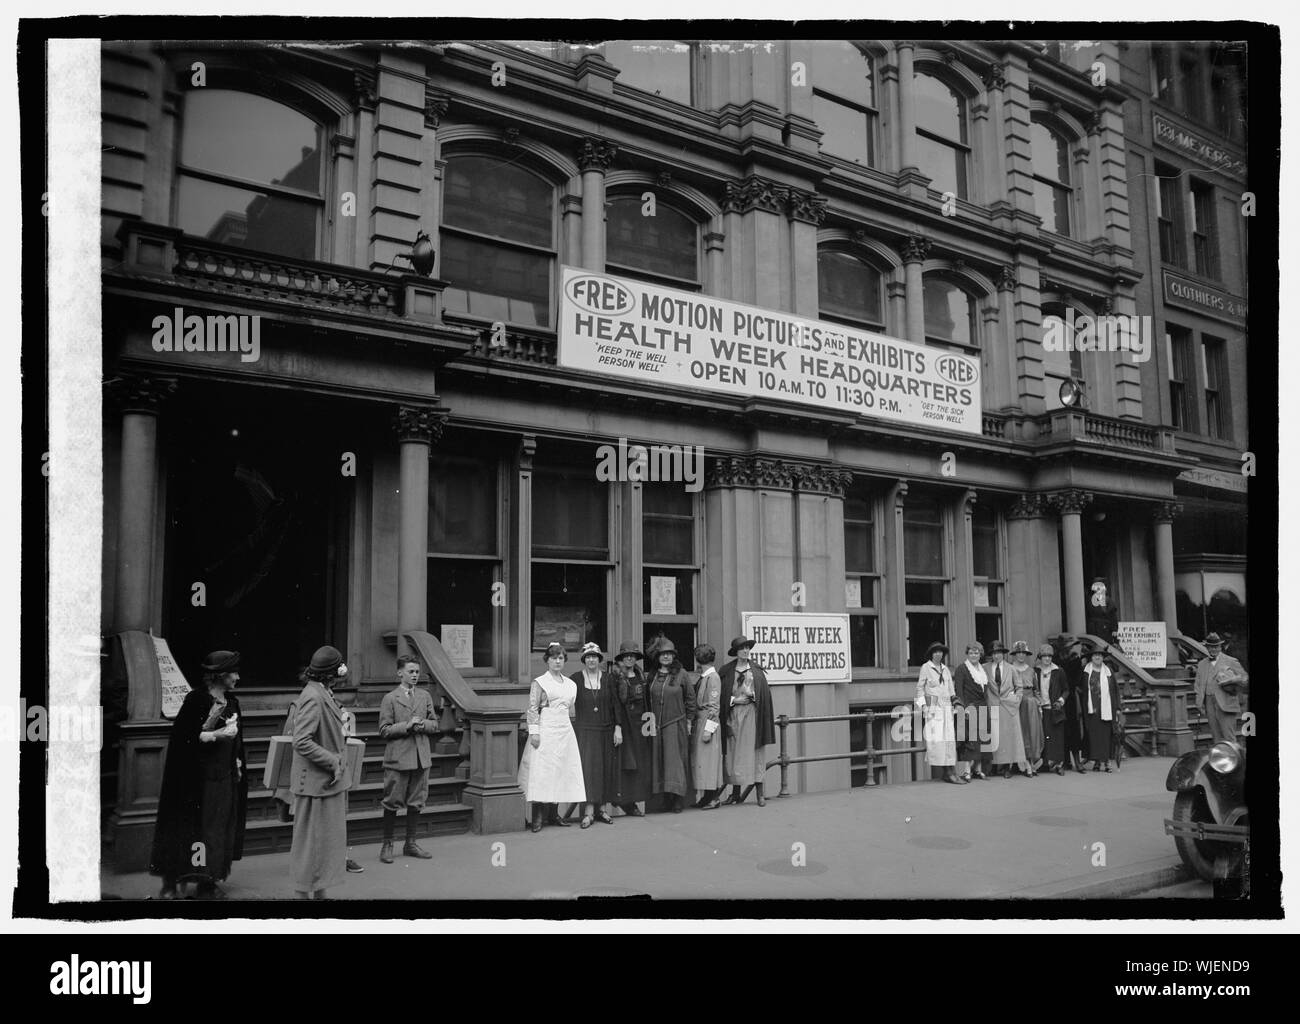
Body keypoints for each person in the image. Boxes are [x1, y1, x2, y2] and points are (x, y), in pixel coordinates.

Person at [149, 649, 248, 900]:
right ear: (220, 675)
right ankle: (176, 880)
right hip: (197, 781)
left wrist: (236, 760)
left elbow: (238, 741)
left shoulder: (233, 702)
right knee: (194, 830)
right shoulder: (196, 701)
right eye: (233, 672)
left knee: (217, 831)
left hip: (224, 779)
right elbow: (184, 741)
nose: (237, 677)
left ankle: (208, 879)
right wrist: (214, 735)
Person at [290, 645, 352, 899]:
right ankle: (303, 897)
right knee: (311, 846)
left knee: (322, 845)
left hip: (323, 784)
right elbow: (301, 740)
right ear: (332, 673)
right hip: (316, 784)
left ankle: (319, 894)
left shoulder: (320, 692)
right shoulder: (314, 697)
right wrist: (332, 761)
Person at [377, 655, 436, 863]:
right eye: (410, 671)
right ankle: (387, 844)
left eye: (417, 672)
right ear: (399, 673)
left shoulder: (424, 696)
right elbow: (383, 730)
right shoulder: (390, 698)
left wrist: (422, 726)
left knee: (417, 801)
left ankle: (410, 843)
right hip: (398, 758)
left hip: (421, 757)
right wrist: (407, 726)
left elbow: (434, 724)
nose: (414, 676)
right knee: (392, 801)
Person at [524, 643, 587, 832]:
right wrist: (534, 732)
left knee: (561, 770)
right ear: (547, 660)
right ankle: (538, 816)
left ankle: (554, 814)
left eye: (560, 658)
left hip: (564, 730)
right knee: (542, 772)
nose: (557, 661)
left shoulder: (570, 684)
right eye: (554, 658)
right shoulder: (540, 682)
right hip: (546, 729)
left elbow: (571, 710)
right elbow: (533, 708)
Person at [718, 636, 777, 805]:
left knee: (755, 752)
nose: (745, 651)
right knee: (734, 753)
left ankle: (760, 793)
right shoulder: (727, 671)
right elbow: (721, 696)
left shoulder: (756, 671)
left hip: (752, 715)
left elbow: (765, 696)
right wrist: (733, 701)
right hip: (734, 715)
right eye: (742, 648)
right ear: (736, 652)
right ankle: (735, 793)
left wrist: (754, 696)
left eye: (747, 648)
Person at [571, 641, 623, 829]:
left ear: (599, 659)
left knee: (606, 769)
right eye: (588, 657)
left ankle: (603, 809)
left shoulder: (609, 679)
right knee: (589, 770)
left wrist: (618, 727)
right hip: (586, 731)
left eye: (595, 657)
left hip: (606, 730)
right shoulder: (576, 679)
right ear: (584, 660)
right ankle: (589, 811)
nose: (592, 660)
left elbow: (616, 704)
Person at [646, 638, 696, 812]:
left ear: (673, 656)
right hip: (655, 725)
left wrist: (689, 721)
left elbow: (690, 699)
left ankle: (677, 800)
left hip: (675, 723)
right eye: (663, 654)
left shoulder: (681, 674)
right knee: (660, 762)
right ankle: (665, 798)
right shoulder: (652, 675)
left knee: (674, 763)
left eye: (669, 654)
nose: (666, 657)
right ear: (658, 656)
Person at [914, 641, 963, 784]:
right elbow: (919, 689)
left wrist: (955, 703)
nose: (938, 654)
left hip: (947, 709)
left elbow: (951, 690)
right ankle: (948, 773)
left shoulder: (945, 669)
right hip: (933, 709)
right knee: (939, 743)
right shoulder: (926, 668)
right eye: (935, 651)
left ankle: (952, 772)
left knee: (949, 741)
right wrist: (923, 708)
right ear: (931, 654)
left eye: (940, 652)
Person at [611, 640, 651, 816]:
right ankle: (624, 800)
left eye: (632, 656)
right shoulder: (616, 677)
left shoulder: (641, 675)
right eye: (626, 656)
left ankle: (634, 801)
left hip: (641, 725)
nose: (629, 659)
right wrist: (618, 726)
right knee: (626, 763)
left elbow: (647, 702)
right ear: (621, 658)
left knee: (639, 764)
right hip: (625, 724)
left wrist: (649, 727)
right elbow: (615, 704)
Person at [1193, 633, 1249, 743]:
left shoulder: (1230, 661)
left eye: (1215, 647)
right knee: (1216, 736)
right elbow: (1198, 685)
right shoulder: (1202, 664)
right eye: (1210, 647)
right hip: (1209, 702)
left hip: (1226, 701)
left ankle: (1233, 759)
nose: (1213, 649)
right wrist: (1198, 703)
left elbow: (1245, 678)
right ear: (1207, 647)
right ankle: (1219, 759)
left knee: (1229, 737)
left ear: (1220, 647)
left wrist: (1232, 680)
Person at [951, 641, 991, 781]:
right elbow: (959, 690)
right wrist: (963, 708)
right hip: (969, 707)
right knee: (970, 741)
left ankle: (978, 770)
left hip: (982, 707)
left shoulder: (982, 670)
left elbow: (985, 692)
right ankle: (967, 771)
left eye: (977, 653)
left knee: (981, 739)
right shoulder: (962, 669)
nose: (974, 655)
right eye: (971, 652)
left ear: (980, 655)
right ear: (967, 654)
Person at [691, 643, 724, 808]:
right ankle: (706, 796)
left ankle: (713, 797)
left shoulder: (713, 678)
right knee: (702, 761)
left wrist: (708, 730)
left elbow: (714, 707)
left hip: (707, 721)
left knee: (709, 760)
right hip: (701, 720)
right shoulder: (706, 676)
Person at [988, 641, 1028, 779]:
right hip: (993, 704)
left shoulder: (1011, 668)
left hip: (1009, 706)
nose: (996, 656)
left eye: (999, 653)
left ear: (1003, 654)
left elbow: (1019, 687)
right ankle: (994, 766)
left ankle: (1007, 767)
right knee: (995, 737)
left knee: (1009, 737)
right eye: (994, 653)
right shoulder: (985, 668)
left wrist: (1016, 699)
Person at [1082, 647, 1120, 772]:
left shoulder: (1109, 672)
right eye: (1094, 655)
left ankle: (1107, 762)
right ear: (1091, 658)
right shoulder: (1086, 672)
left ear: (1103, 658)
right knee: (1094, 737)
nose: (1097, 657)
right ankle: (1097, 761)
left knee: (1106, 737)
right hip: (1092, 709)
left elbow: (1115, 690)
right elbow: (1081, 691)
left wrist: (1118, 708)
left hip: (1107, 708)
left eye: (1099, 655)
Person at [1009, 641, 1043, 776]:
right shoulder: (1010, 669)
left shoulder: (1031, 670)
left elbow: (1036, 690)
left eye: (1023, 653)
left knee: (1033, 733)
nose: (1021, 655)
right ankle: (1024, 764)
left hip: (1031, 704)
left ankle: (1032, 762)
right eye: (1018, 653)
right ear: (1014, 654)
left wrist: (1039, 703)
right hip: (1017, 704)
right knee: (1021, 733)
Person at [1035, 644, 1070, 775]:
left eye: (1049, 656)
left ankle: (1059, 764)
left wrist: (1061, 700)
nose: (1047, 659)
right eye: (1044, 656)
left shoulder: (1058, 671)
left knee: (1057, 737)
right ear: (1040, 657)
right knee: (1044, 737)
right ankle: (1045, 763)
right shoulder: (1036, 671)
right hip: (1041, 709)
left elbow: (1066, 690)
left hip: (1055, 709)